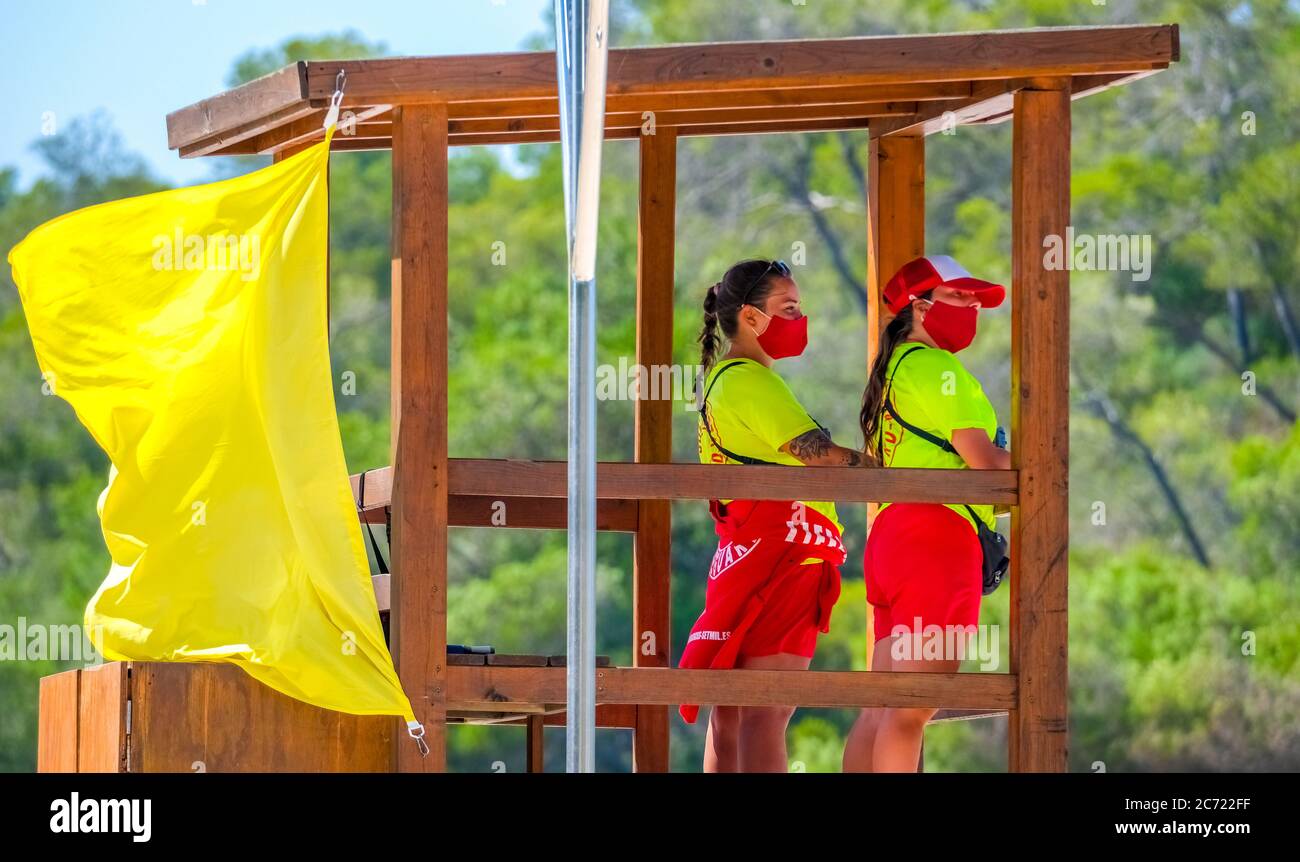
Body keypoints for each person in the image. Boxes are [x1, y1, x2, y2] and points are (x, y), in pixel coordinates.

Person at [678, 258, 865, 773]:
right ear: (751, 317)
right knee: (769, 705)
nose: (799, 318)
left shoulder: (725, 380)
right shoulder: (748, 380)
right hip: (786, 554)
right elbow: (813, 450)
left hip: (746, 553)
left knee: (735, 710)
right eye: (789, 308)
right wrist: (875, 468)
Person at [843, 255, 1010, 773]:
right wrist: (1049, 462)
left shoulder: (895, 369)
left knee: (883, 708)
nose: (972, 305)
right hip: (937, 540)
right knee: (912, 709)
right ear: (920, 305)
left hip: (893, 539)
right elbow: (988, 464)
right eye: (959, 296)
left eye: (974, 297)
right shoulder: (937, 368)